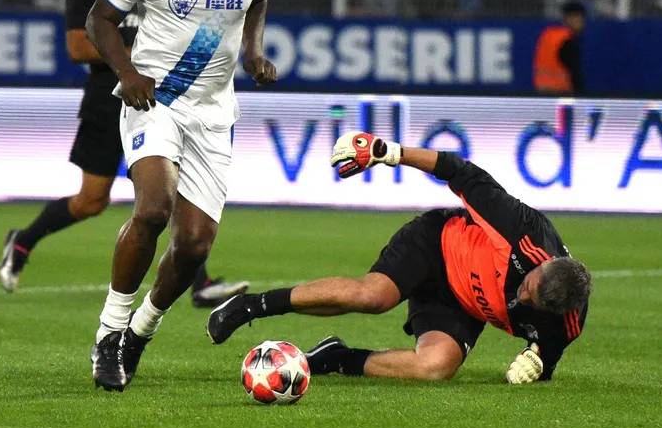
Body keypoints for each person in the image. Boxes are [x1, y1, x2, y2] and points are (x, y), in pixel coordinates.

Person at [84, 0, 277, 391]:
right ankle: (109, 333)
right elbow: (98, 19)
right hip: (157, 102)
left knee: (194, 245)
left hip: (215, 113)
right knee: (152, 210)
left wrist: (254, 51)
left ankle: (140, 332)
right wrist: (127, 70)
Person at [0, 0, 252, 303]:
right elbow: (78, 46)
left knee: (169, 193)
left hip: (157, 104)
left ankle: (199, 283)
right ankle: (23, 240)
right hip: (106, 100)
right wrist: (141, 55)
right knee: (90, 201)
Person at [206, 133, 592, 384]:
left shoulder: (567, 319)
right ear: (543, 264)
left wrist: (535, 365)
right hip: (438, 246)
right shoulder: (522, 230)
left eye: (532, 303)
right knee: (372, 297)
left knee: (436, 368)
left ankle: (337, 358)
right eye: (527, 287)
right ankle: (251, 306)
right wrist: (390, 152)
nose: (522, 298)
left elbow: (546, 356)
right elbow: (460, 171)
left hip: (463, 304)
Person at [533, 1, 586, 94]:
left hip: (542, 93)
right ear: (570, 19)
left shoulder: (547, 35)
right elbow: (575, 73)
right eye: (580, 20)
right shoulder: (568, 41)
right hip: (561, 93)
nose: (582, 25)